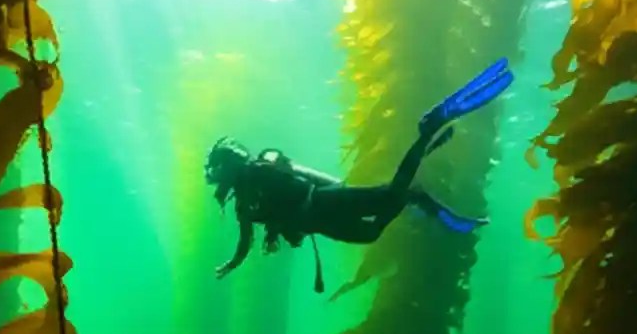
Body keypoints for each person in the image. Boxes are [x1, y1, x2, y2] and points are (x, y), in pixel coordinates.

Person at [204, 57, 515, 292]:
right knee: (371, 232)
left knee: (389, 196)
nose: (216, 177)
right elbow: (246, 239)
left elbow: (286, 191)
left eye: (217, 170)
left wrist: (260, 239)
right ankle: (414, 194)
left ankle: (429, 129)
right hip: (319, 222)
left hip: (323, 203)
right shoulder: (244, 203)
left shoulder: (256, 175)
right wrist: (232, 263)